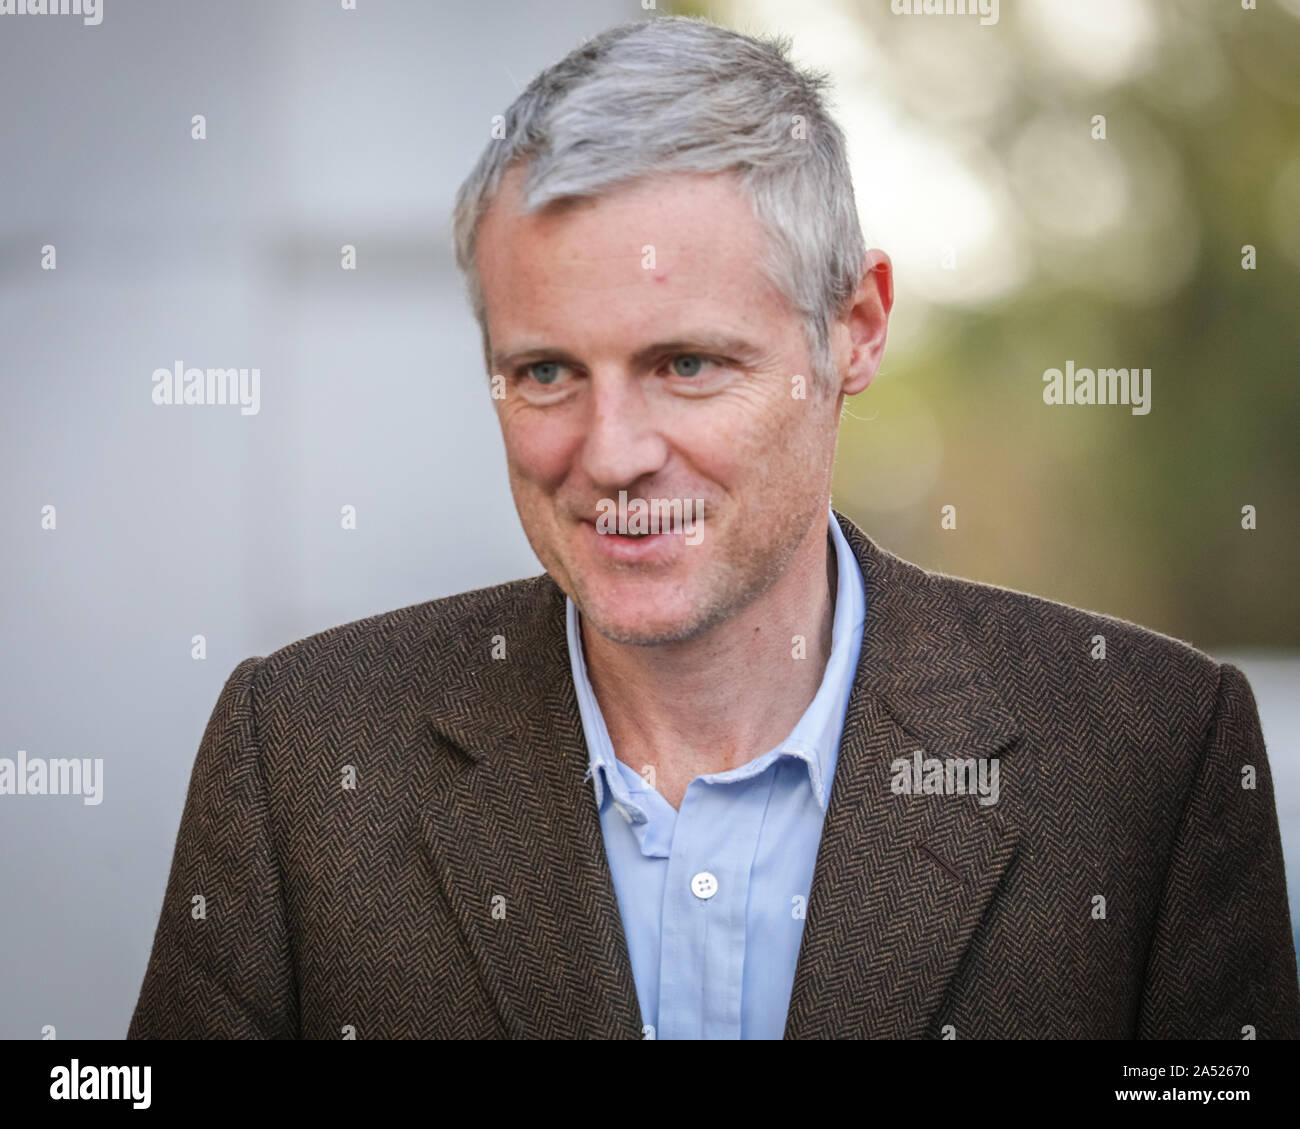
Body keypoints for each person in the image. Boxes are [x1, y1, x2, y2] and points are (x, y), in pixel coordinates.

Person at [128, 16, 1300, 1039]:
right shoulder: (300, 761)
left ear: (854, 330)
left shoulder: (1151, 756)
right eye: (544, 372)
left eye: (685, 363)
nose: (611, 450)